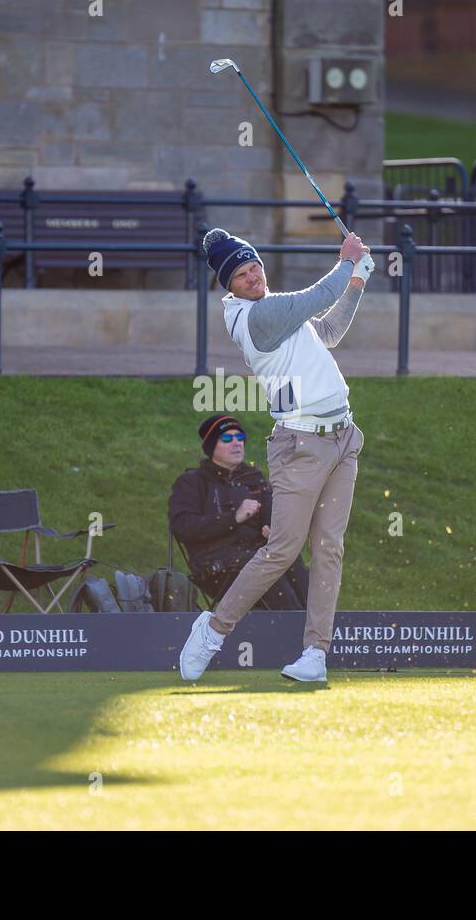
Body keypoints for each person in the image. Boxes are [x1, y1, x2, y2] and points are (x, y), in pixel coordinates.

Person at [179, 227, 374, 683]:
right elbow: (316, 297)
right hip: (301, 447)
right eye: (242, 274)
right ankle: (212, 629)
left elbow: (327, 331)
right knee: (282, 549)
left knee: (329, 548)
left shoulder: (273, 309)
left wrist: (357, 282)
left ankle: (315, 654)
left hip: (343, 438)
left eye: (255, 267)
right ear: (229, 286)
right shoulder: (258, 318)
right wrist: (347, 261)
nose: (253, 277)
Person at [168, 414, 308, 611]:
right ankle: (296, 629)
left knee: (289, 556)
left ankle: (313, 627)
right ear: (210, 446)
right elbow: (182, 526)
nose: (236, 443)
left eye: (240, 438)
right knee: (265, 566)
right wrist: (233, 518)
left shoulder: (254, 478)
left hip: (256, 557)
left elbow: (273, 514)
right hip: (215, 566)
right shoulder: (192, 482)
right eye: (227, 438)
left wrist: (274, 528)